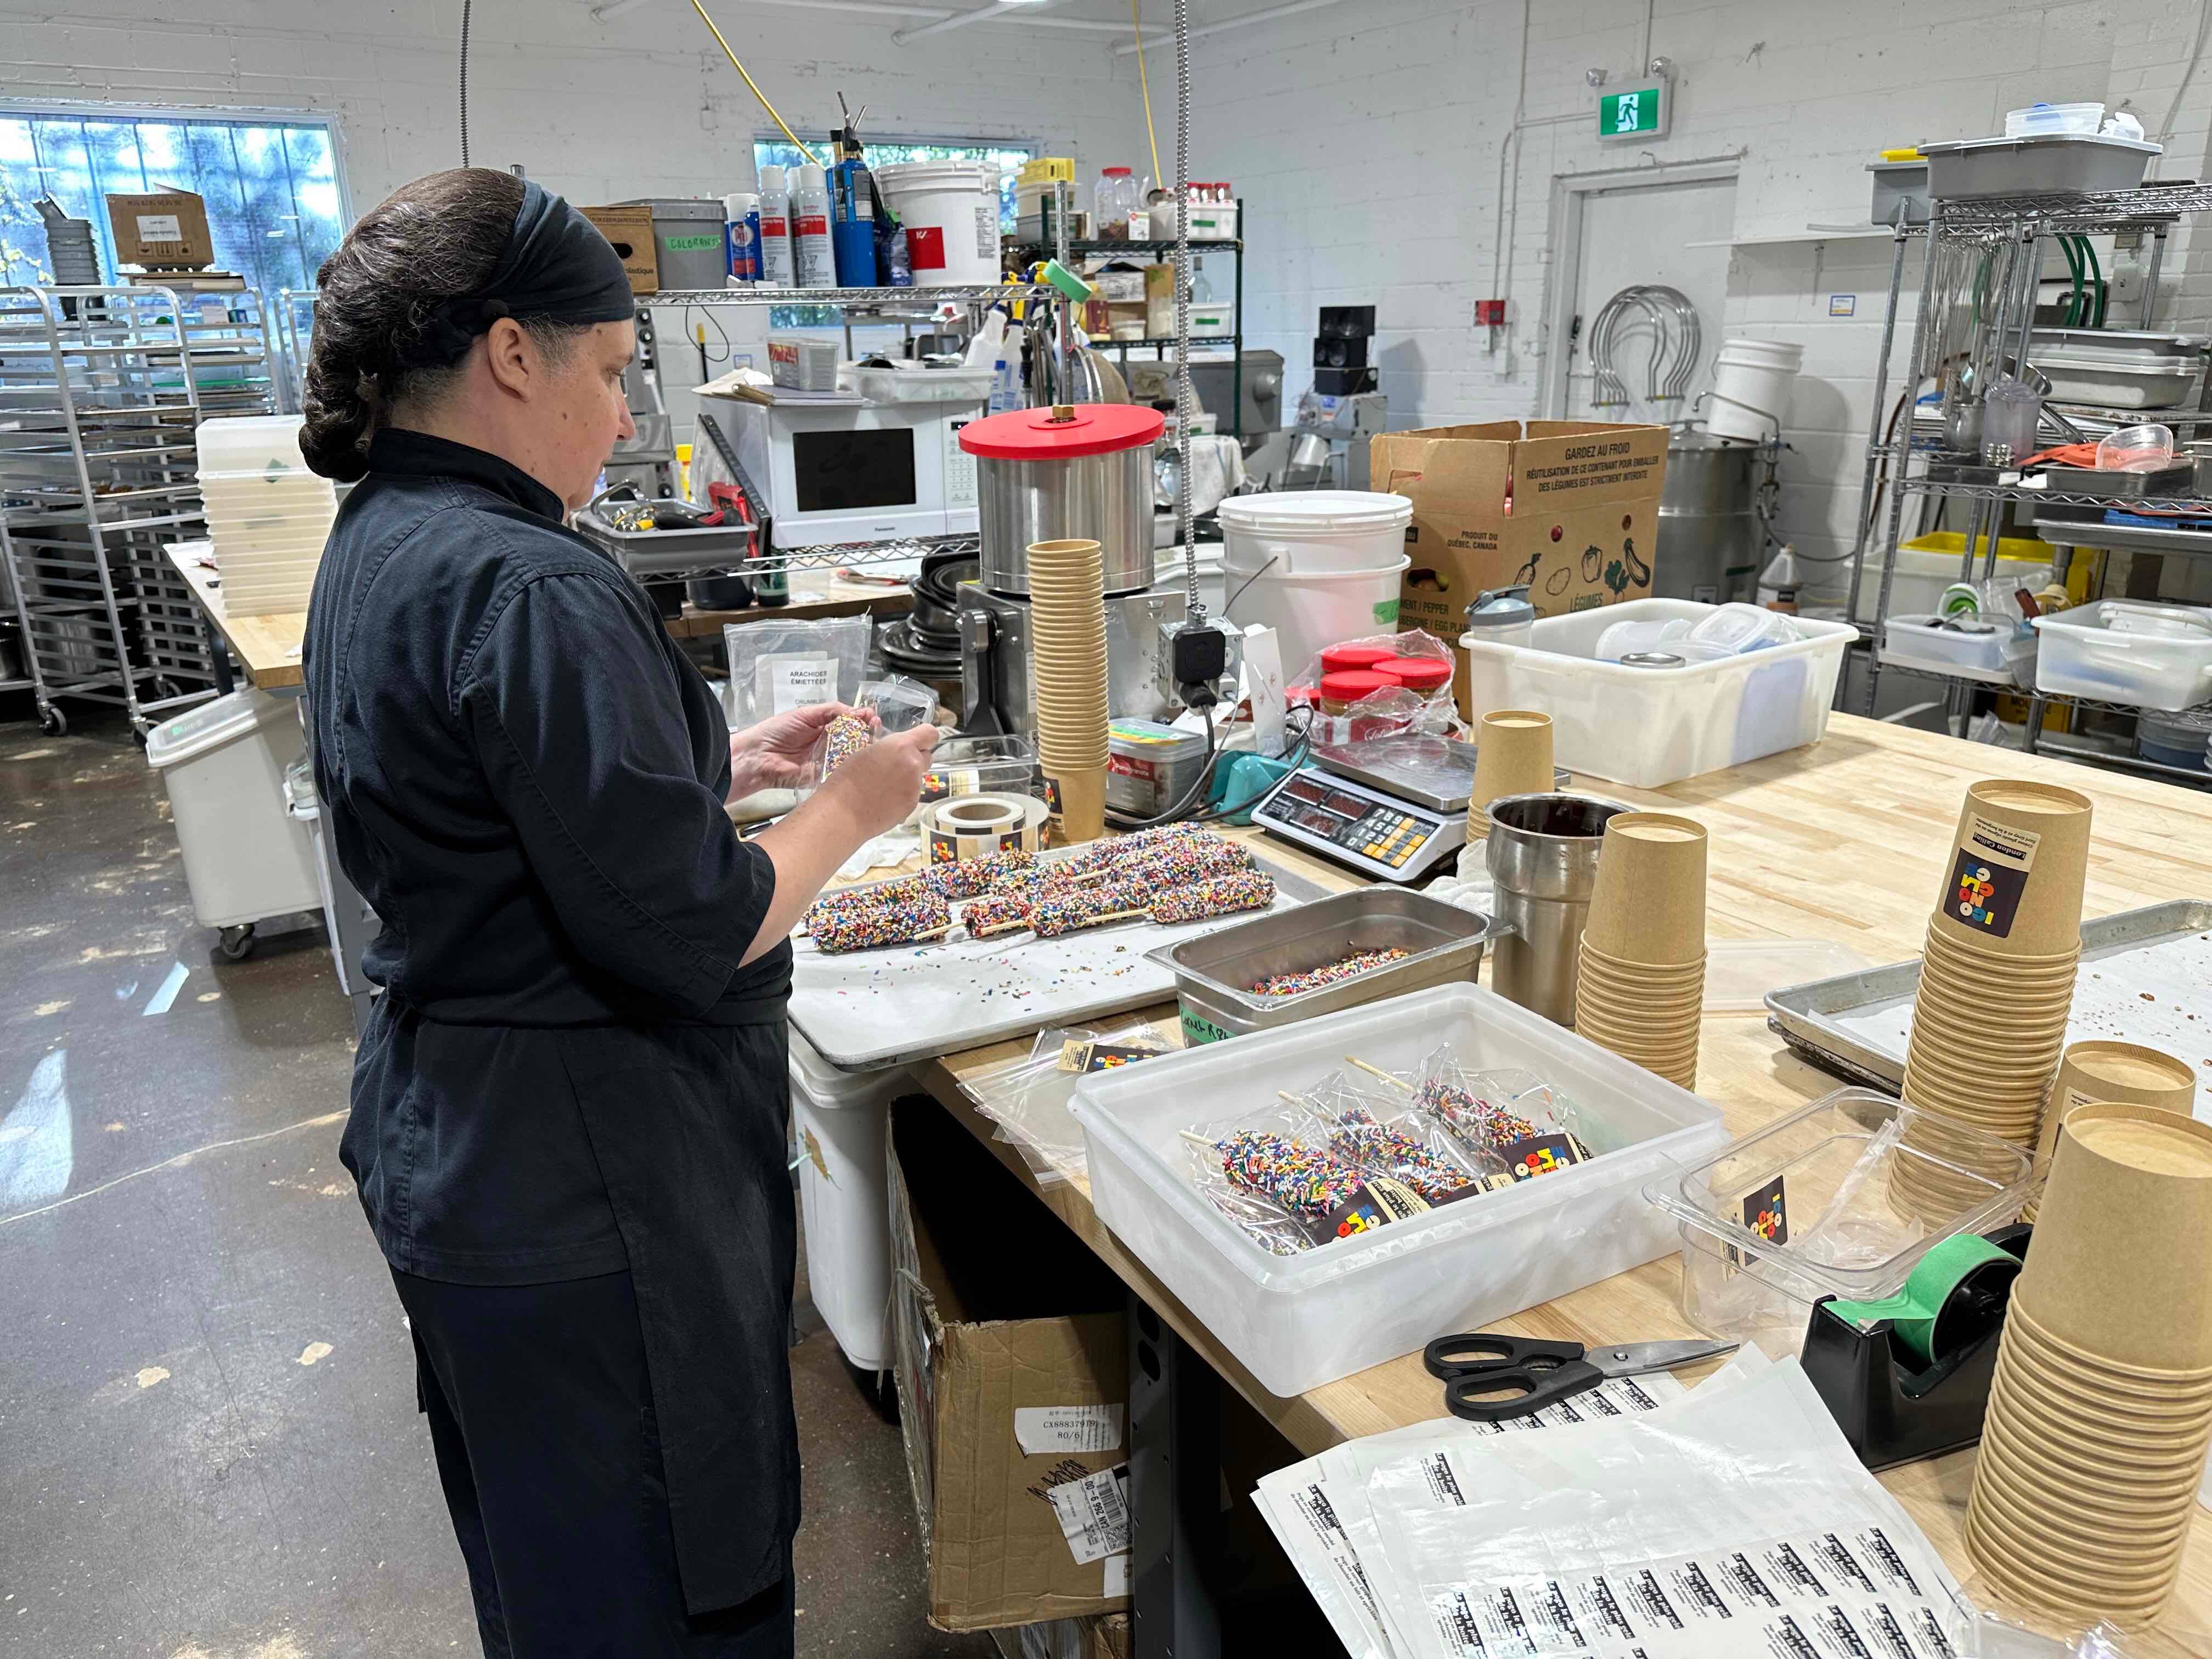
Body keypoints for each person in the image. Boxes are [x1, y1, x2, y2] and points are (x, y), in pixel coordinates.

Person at [298, 167, 936, 1657]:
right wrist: (851, 809)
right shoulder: (531, 583)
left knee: (554, 1574)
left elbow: (496, 795)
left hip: (454, 1142)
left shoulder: (384, 536)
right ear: (513, 354)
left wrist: (713, 763)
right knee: (662, 1584)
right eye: (606, 370)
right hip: (585, 1186)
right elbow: (693, 929)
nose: (623, 413)